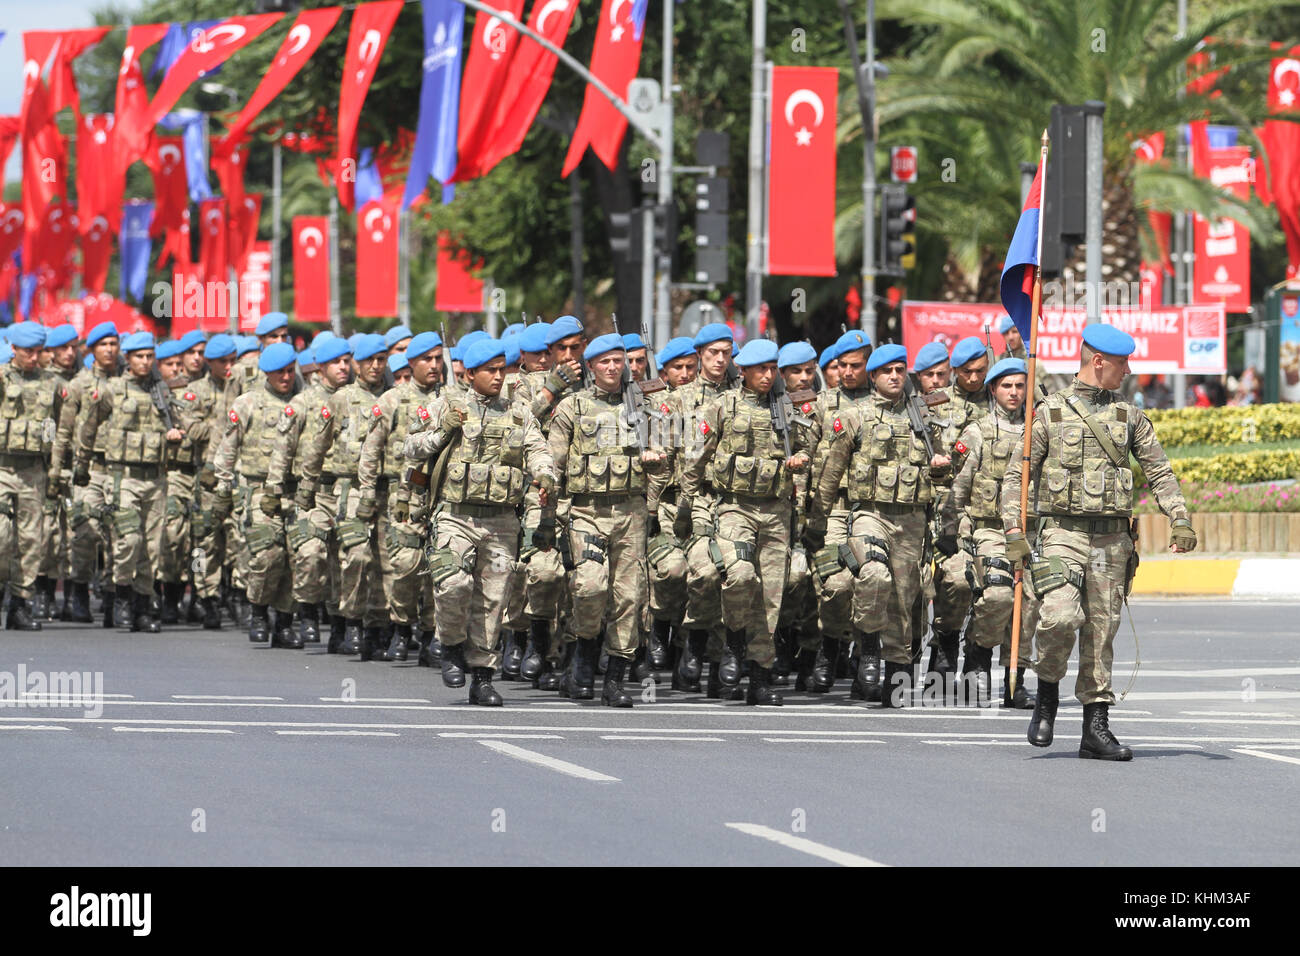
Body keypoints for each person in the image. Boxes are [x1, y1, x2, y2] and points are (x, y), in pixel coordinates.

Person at [1002, 323, 1197, 760]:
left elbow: (1159, 471)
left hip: (1112, 542)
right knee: (1059, 616)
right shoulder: (1048, 413)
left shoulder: (1130, 417)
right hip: (1061, 535)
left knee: (1101, 633)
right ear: (1098, 362)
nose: (1128, 370)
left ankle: (1095, 728)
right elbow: (1017, 476)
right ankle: (1047, 695)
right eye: (1123, 363)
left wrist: (1179, 519)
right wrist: (1014, 534)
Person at [404, 338, 557, 706]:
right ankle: (452, 645)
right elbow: (410, 446)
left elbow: (537, 448)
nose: (497, 376)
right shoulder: (445, 405)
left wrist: (545, 472)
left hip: (502, 521)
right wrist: (443, 431)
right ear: (470, 373)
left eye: (501, 369)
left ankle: (483, 678)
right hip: (455, 516)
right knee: (453, 584)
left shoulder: (519, 412)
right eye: (489, 370)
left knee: (493, 600)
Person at [810, 343, 951, 707]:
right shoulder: (855, 416)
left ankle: (894, 679)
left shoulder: (925, 417)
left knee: (904, 601)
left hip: (912, 519)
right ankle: (869, 647)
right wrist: (818, 523)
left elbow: (945, 474)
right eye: (886, 370)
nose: (894, 376)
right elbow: (831, 473)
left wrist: (942, 468)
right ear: (873, 377)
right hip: (870, 514)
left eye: (900, 370)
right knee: (873, 575)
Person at [680, 338, 811, 704]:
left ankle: (760, 676)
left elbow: (805, 447)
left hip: (775, 510)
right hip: (734, 508)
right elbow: (696, 458)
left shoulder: (788, 409)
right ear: (745, 371)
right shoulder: (722, 406)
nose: (768, 376)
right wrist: (688, 506)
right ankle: (733, 643)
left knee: (771, 594)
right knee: (739, 575)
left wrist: (799, 460)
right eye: (760, 370)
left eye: (772, 369)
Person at [549, 333, 664, 706]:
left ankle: (615, 678)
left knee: (629, 597)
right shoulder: (573, 408)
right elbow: (555, 465)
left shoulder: (646, 408)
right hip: (587, 513)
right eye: (606, 362)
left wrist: (654, 465)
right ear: (591, 367)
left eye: (620, 361)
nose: (615, 368)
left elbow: (667, 462)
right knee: (590, 588)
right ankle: (581, 658)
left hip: (630, 513)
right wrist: (556, 514)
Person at [941, 358, 1037, 707]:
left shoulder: (1037, 429)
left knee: (1029, 604)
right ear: (993, 390)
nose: (1014, 392)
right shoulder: (977, 431)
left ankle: (1016, 677)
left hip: (1030, 531)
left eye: (1020, 385)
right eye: (1006, 386)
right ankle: (978, 652)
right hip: (989, 531)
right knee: (998, 596)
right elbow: (958, 489)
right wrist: (953, 533)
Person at [75, 332, 185, 633]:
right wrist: (82, 468)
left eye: (150, 357)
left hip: (156, 478)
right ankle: (121, 593)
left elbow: (177, 424)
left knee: (151, 547)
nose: (145, 362)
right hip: (122, 477)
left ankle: (141, 606)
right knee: (128, 540)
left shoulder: (161, 390)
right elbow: (89, 427)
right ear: (129, 357)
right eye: (139, 356)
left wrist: (176, 435)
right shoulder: (112, 390)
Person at [297, 333, 390, 659]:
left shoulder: (393, 398)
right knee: (355, 555)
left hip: (388, 489)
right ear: (357, 364)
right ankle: (347, 621)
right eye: (368, 361)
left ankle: (375, 629)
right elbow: (317, 446)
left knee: (384, 564)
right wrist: (307, 487)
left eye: (381, 360)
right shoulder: (341, 400)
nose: (376, 366)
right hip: (347, 490)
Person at [359, 332, 444, 662]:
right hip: (399, 497)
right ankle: (400, 627)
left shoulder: (450, 399)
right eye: (427, 359)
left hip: (437, 494)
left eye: (438, 359)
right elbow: (370, 452)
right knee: (404, 567)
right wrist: (367, 495)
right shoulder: (390, 401)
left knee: (438, 567)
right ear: (411, 363)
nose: (434, 365)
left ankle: (431, 636)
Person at [265, 336, 354, 648]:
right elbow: (282, 450)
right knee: (310, 553)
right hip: (311, 492)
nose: (343, 367)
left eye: (346, 361)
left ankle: (342, 627)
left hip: (347, 492)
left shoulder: (355, 399)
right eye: (336, 363)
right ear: (320, 368)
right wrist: (274, 491)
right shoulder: (301, 404)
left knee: (346, 559)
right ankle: (306, 613)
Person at [213, 342, 301, 647]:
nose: (287, 377)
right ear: (267, 373)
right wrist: (224, 490)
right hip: (257, 491)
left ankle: (285, 622)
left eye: (291, 371)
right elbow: (226, 451)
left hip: (297, 492)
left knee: (295, 557)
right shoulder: (246, 404)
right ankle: (259, 611)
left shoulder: (304, 403)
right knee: (267, 554)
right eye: (280, 372)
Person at [53, 321, 121, 625]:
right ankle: (78, 592)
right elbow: (64, 431)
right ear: (91, 350)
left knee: (118, 536)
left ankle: (112, 598)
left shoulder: (128, 383)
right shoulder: (79, 385)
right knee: (84, 532)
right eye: (103, 344)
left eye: (114, 344)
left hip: (121, 469)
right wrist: (57, 471)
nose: (110, 350)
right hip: (88, 470)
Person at [0, 323, 64, 629]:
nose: (35, 358)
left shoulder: (52, 383)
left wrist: (56, 469)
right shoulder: (1, 378)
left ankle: (19, 605)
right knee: (1, 536)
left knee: (30, 540)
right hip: (1, 467)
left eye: (39, 352)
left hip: (34, 471)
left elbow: (59, 427)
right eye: (28, 352)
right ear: (13, 349)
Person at [37, 323, 79, 620]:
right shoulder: (46, 383)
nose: (70, 353)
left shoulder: (83, 380)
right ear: (49, 352)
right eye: (63, 348)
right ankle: (44, 593)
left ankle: (73, 597)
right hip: (51, 466)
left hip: (78, 467)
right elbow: (46, 428)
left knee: (74, 534)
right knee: (47, 534)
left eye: (74, 347)